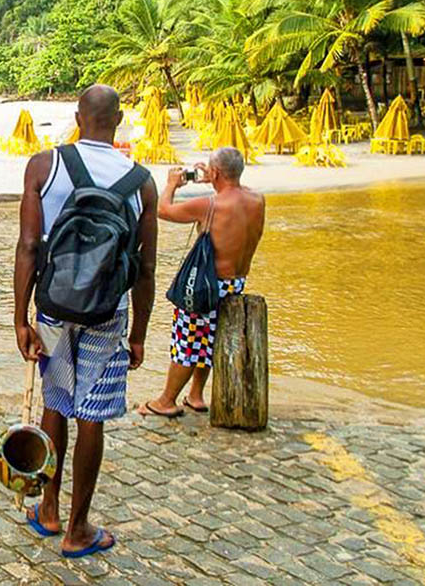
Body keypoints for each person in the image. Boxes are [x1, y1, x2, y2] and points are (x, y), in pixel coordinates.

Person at [13, 85, 158, 558]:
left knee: (55, 402)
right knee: (91, 414)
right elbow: (146, 267)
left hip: (54, 309)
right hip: (107, 315)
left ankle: (49, 509)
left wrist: (20, 319)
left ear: (77, 116)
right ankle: (78, 529)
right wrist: (138, 334)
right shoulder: (141, 182)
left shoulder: (45, 165)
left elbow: (29, 247)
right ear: (118, 120)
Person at [139, 146, 265, 418]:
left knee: (189, 342)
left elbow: (163, 210)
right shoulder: (257, 200)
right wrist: (216, 179)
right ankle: (195, 395)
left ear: (215, 172)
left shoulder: (209, 205)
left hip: (206, 284)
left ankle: (166, 401)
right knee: (206, 341)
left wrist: (172, 184)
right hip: (236, 283)